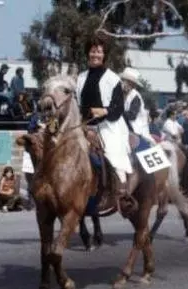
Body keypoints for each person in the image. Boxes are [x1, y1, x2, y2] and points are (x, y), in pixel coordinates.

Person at [76, 36, 134, 200]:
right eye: (93, 51)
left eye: (99, 52)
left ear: (104, 55)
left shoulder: (113, 78)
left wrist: (104, 111)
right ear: (88, 53)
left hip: (109, 125)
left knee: (112, 154)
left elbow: (118, 108)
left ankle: (122, 192)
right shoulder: (80, 77)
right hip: (84, 125)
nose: (95, 54)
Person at [120, 67, 154, 143]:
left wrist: (116, 111)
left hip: (135, 128)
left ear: (133, 85)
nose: (125, 84)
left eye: (130, 82)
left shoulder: (135, 97)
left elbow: (132, 116)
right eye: (125, 81)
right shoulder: (118, 93)